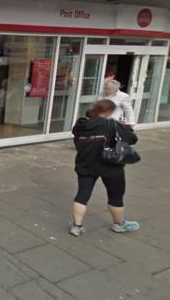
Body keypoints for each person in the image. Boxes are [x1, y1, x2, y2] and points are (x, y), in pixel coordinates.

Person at [70, 99, 139, 237]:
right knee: (115, 196)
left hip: (86, 164)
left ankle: (77, 226)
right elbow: (132, 139)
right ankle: (119, 225)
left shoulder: (81, 124)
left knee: (82, 195)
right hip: (111, 166)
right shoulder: (112, 124)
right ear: (108, 111)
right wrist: (126, 127)